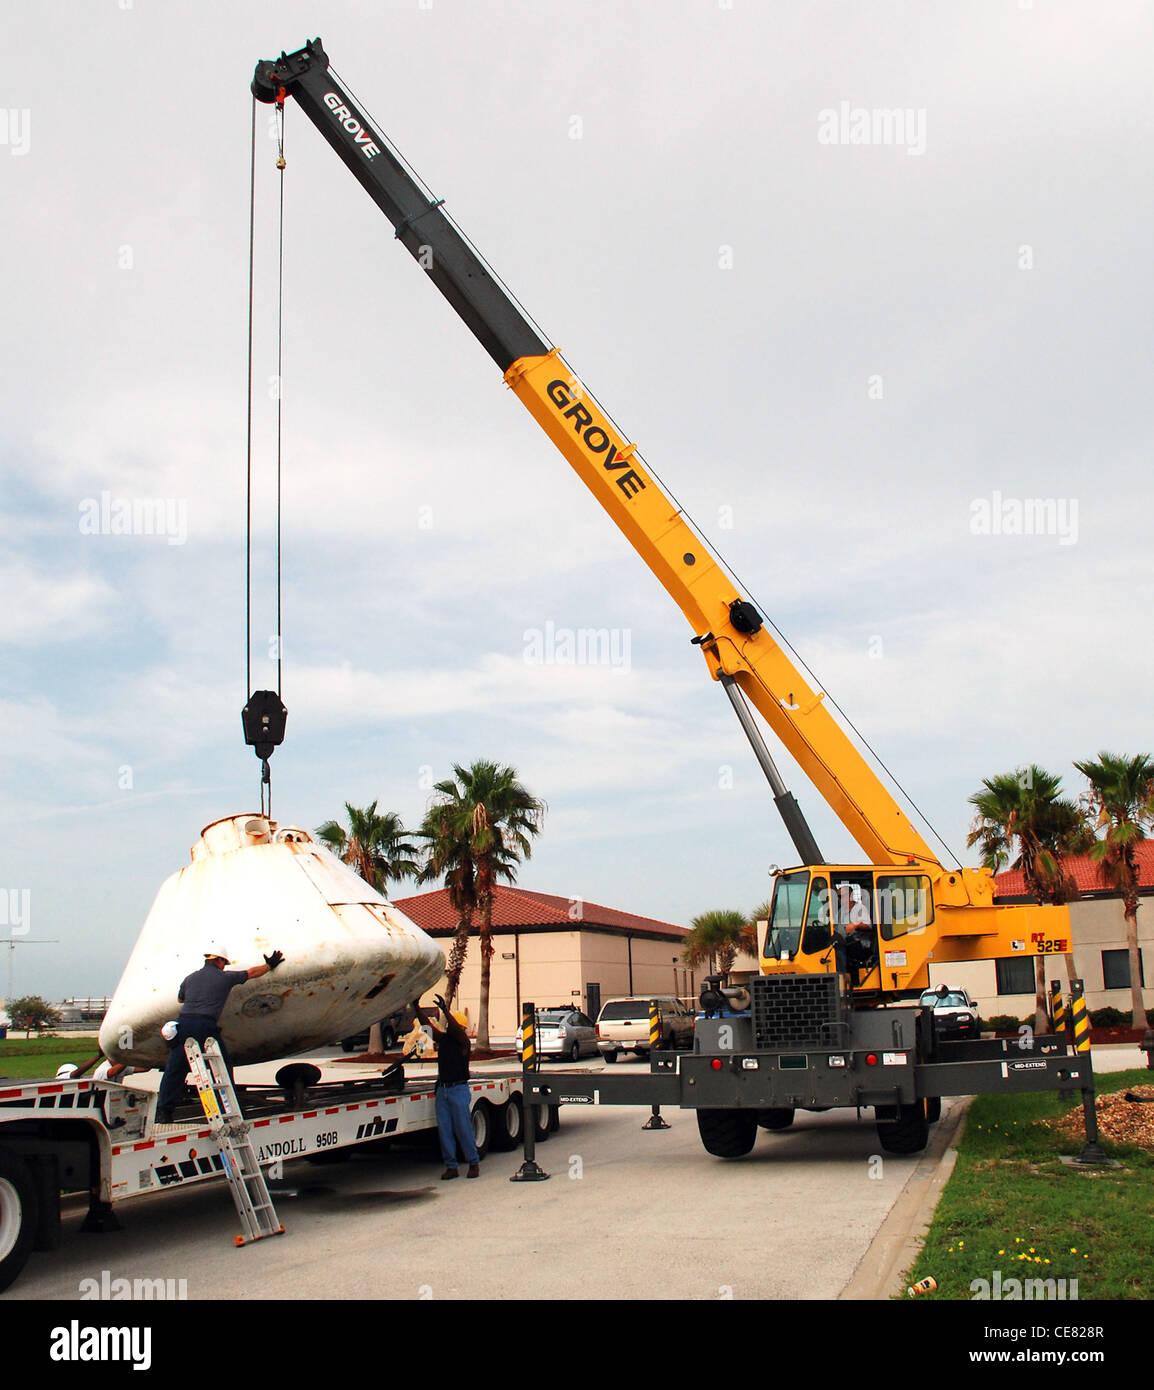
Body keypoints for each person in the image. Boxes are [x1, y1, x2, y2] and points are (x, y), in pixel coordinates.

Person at [155, 942, 284, 1123]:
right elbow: (251, 973)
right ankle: (229, 1107)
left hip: (184, 1023)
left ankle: (163, 1112)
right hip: (205, 1025)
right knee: (221, 1066)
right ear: (219, 960)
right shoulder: (224, 978)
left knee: (175, 1068)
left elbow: (180, 998)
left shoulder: (190, 978)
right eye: (224, 963)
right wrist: (269, 965)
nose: (225, 966)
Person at [413, 993, 480, 1180]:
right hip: (443, 1090)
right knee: (445, 1130)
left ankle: (473, 1162)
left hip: (458, 1090)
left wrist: (445, 1010)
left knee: (463, 1129)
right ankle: (451, 1166)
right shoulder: (443, 1040)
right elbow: (427, 1027)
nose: (451, 1026)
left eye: (454, 1024)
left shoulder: (464, 1043)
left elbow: (457, 1030)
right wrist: (417, 1009)